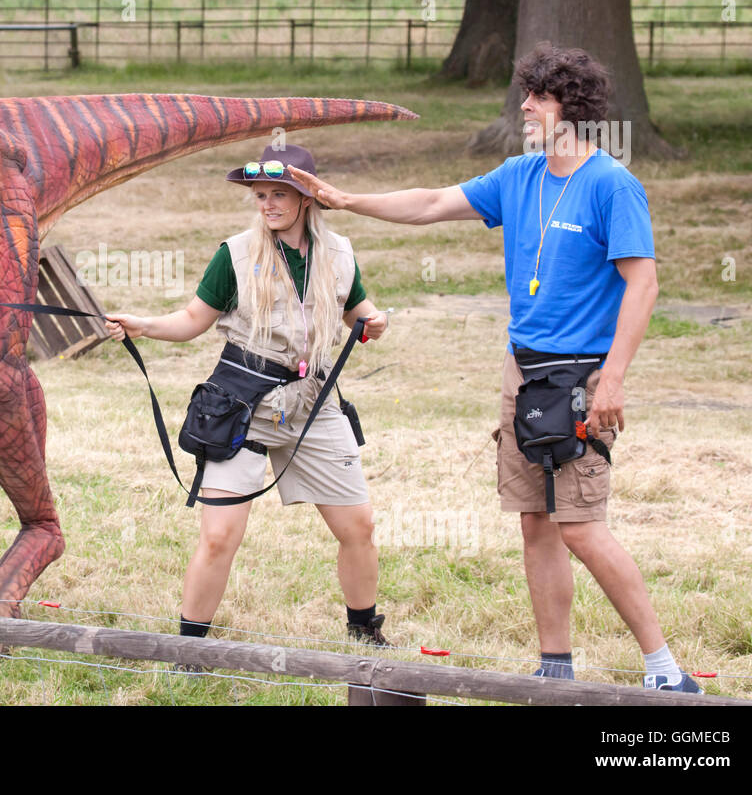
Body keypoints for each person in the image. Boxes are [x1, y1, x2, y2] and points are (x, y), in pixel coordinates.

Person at [288, 42, 701, 692]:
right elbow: (429, 203)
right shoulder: (518, 175)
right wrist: (346, 200)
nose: (526, 105)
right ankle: (554, 669)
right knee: (535, 521)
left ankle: (665, 671)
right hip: (523, 373)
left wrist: (613, 380)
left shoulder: (612, 185)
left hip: (582, 377)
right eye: (526, 93)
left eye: (538, 96)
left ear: (573, 106)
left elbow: (642, 285)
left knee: (582, 528)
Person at [105, 144, 393, 649]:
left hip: (314, 402)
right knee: (218, 536)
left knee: (359, 526)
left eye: (278, 194)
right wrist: (144, 324)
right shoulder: (235, 253)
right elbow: (194, 320)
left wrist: (376, 321)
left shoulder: (341, 253)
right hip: (242, 402)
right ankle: (190, 650)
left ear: (307, 197)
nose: (267, 205)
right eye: (260, 196)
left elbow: (359, 312)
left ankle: (364, 630)